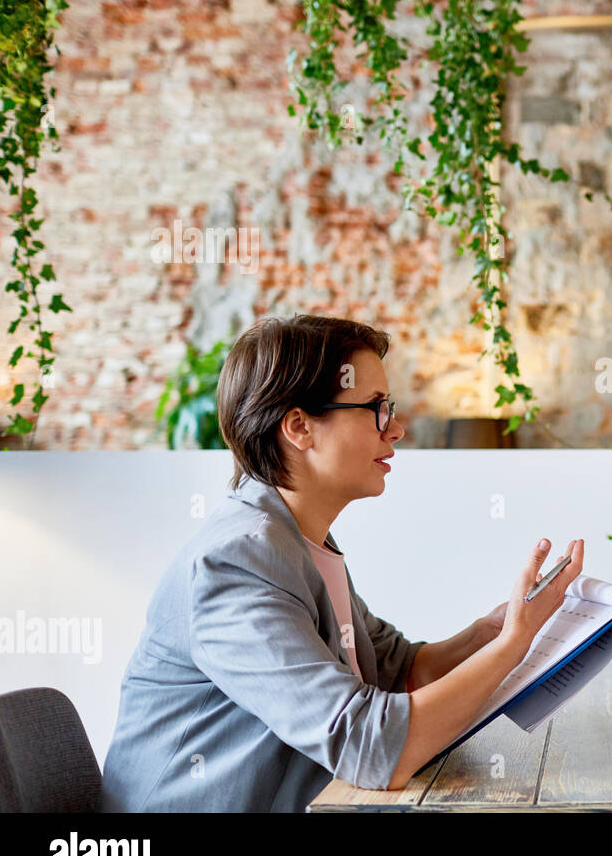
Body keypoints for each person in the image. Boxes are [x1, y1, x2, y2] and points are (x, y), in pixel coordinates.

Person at [100, 314, 583, 812]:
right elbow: (371, 749)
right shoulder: (236, 564)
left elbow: (400, 671)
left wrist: (489, 631)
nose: (395, 428)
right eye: (376, 408)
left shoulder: (301, 541)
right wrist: (512, 646)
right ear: (299, 427)